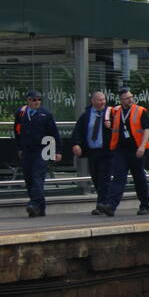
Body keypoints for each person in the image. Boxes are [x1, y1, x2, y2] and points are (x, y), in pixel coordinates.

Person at [100, 87, 149, 217]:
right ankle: (111, 206)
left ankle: (144, 205)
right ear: (121, 100)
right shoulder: (116, 111)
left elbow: (147, 129)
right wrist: (107, 121)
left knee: (139, 178)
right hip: (120, 150)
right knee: (118, 178)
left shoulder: (140, 111)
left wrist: (142, 146)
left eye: (131, 97)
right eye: (127, 98)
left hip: (136, 149)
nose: (130, 100)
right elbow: (106, 110)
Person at [13, 89, 62, 217]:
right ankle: (40, 208)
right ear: (28, 100)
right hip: (27, 150)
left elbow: (54, 133)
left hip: (42, 150)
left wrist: (57, 151)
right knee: (29, 178)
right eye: (34, 100)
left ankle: (34, 203)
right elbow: (17, 131)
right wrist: (20, 147)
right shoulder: (21, 113)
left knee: (37, 177)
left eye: (39, 99)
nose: (37, 102)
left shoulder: (46, 114)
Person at [71, 90, 112, 213]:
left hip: (106, 151)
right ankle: (104, 202)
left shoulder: (111, 114)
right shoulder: (86, 115)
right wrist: (76, 144)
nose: (102, 102)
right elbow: (77, 131)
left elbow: (119, 130)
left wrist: (110, 126)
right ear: (93, 101)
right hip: (92, 152)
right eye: (99, 100)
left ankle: (101, 203)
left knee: (104, 178)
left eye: (104, 99)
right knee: (96, 177)